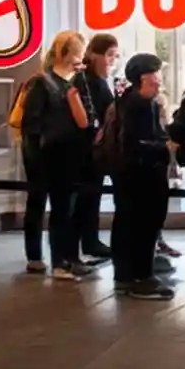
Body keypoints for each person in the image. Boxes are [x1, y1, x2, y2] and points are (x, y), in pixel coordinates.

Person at [22, 31, 94, 280]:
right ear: (65, 54)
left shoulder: (75, 82)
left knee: (63, 208)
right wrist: (34, 155)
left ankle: (60, 259)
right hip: (46, 154)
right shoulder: (43, 83)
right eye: (78, 53)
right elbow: (31, 125)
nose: (81, 59)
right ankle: (38, 257)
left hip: (66, 154)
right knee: (40, 203)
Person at [111, 54, 176, 301]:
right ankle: (142, 277)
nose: (159, 79)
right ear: (144, 77)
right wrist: (165, 148)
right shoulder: (141, 104)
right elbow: (142, 142)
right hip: (143, 175)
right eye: (156, 74)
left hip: (128, 174)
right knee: (144, 223)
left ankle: (126, 275)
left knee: (127, 222)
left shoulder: (126, 100)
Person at [72, 33, 119, 262]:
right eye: (109, 55)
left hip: (96, 147)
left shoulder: (99, 81)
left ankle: (90, 240)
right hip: (85, 147)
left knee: (93, 196)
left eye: (115, 56)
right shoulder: (86, 81)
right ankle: (82, 244)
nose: (112, 61)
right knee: (85, 197)